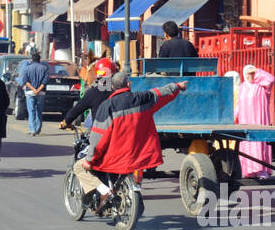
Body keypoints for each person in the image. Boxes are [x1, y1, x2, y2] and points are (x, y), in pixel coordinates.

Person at [75, 71, 185, 212]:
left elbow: (98, 138)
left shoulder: (106, 106)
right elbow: (160, 93)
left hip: (114, 158)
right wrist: (176, 86)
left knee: (78, 167)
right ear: (128, 84)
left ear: (113, 87)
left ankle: (104, 190)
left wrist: (90, 160)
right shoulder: (142, 98)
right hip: (140, 155)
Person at [235, 64, 275, 179]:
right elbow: (239, 105)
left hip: (259, 122)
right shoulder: (242, 87)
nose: (249, 76)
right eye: (247, 73)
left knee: (259, 145)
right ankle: (249, 171)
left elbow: (271, 79)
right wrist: (234, 117)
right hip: (246, 122)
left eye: (252, 73)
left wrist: (257, 70)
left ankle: (262, 170)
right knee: (247, 146)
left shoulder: (262, 86)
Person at [17, 48, 50, 136]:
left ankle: (32, 130)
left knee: (31, 111)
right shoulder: (44, 68)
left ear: (32, 60)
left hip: (30, 93)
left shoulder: (27, 68)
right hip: (41, 93)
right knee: (39, 111)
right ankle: (38, 129)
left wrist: (33, 89)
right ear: (39, 60)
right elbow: (45, 80)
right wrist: (38, 89)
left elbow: (25, 81)